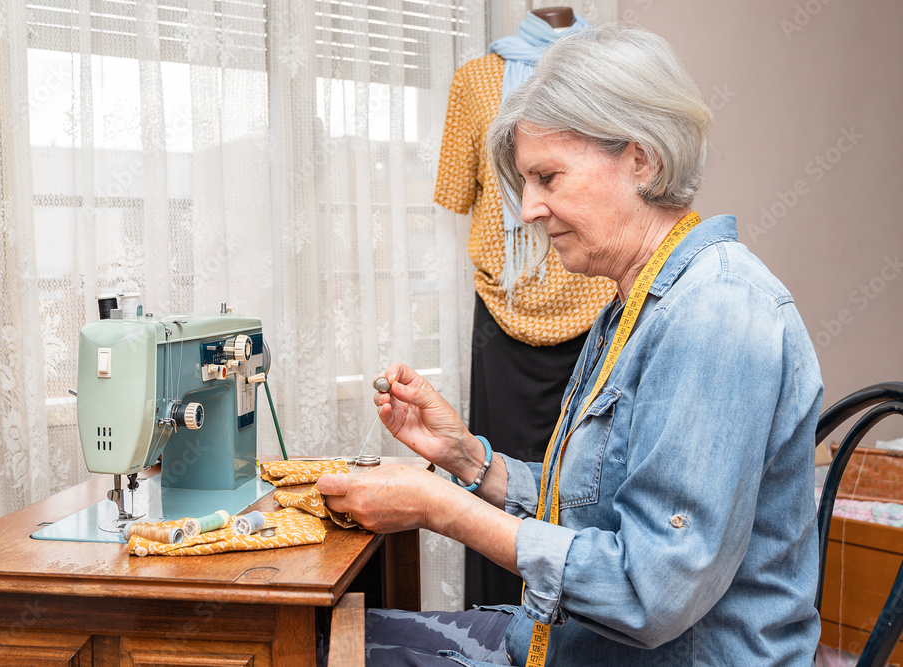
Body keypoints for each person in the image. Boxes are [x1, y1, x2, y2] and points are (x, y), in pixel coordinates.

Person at [318, 24, 823, 666]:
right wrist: (472, 462)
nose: (528, 208)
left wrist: (441, 508)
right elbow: (597, 507)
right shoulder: (635, 301)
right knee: (341, 639)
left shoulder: (716, 313)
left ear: (643, 160)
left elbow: (649, 591)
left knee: (323, 649)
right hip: (580, 646)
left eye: (547, 177)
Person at [435, 6, 617, 609]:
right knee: (492, 490)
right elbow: (461, 193)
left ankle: (579, 641)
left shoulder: (611, 74)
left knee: (592, 490)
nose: (533, 204)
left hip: (598, 308)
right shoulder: (475, 80)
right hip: (503, 317)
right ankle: (496, 631)